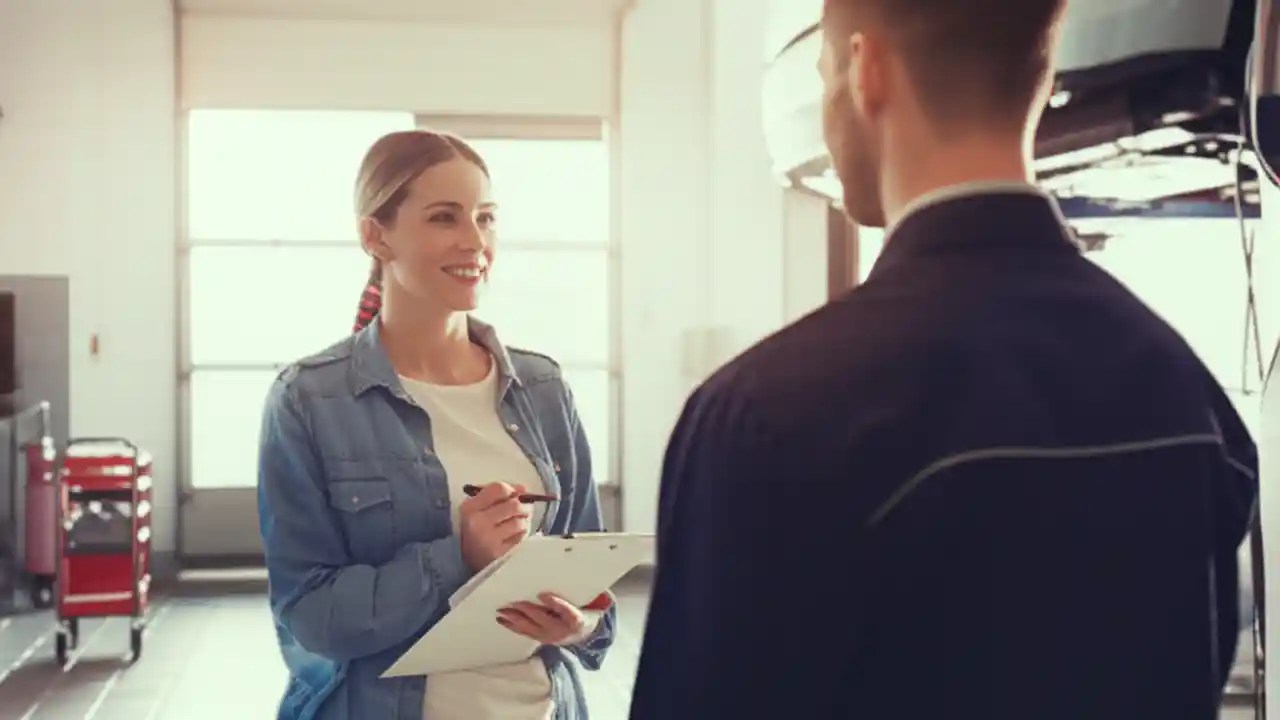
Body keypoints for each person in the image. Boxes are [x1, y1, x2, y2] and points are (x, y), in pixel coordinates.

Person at [630, 1, 1259, 718]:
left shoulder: (765, 415)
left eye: (825, 74)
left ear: (865, 70)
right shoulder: (1191, 398)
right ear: (1039, 76)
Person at [258, 130, 615, 720]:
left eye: (486, 217)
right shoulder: (309, 400)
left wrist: (578, 625)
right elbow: (311, 619)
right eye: (445, 217)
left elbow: (596, 595)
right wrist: (458, 556)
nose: (475, 241)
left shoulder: (544, 388)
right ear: (376, 236)